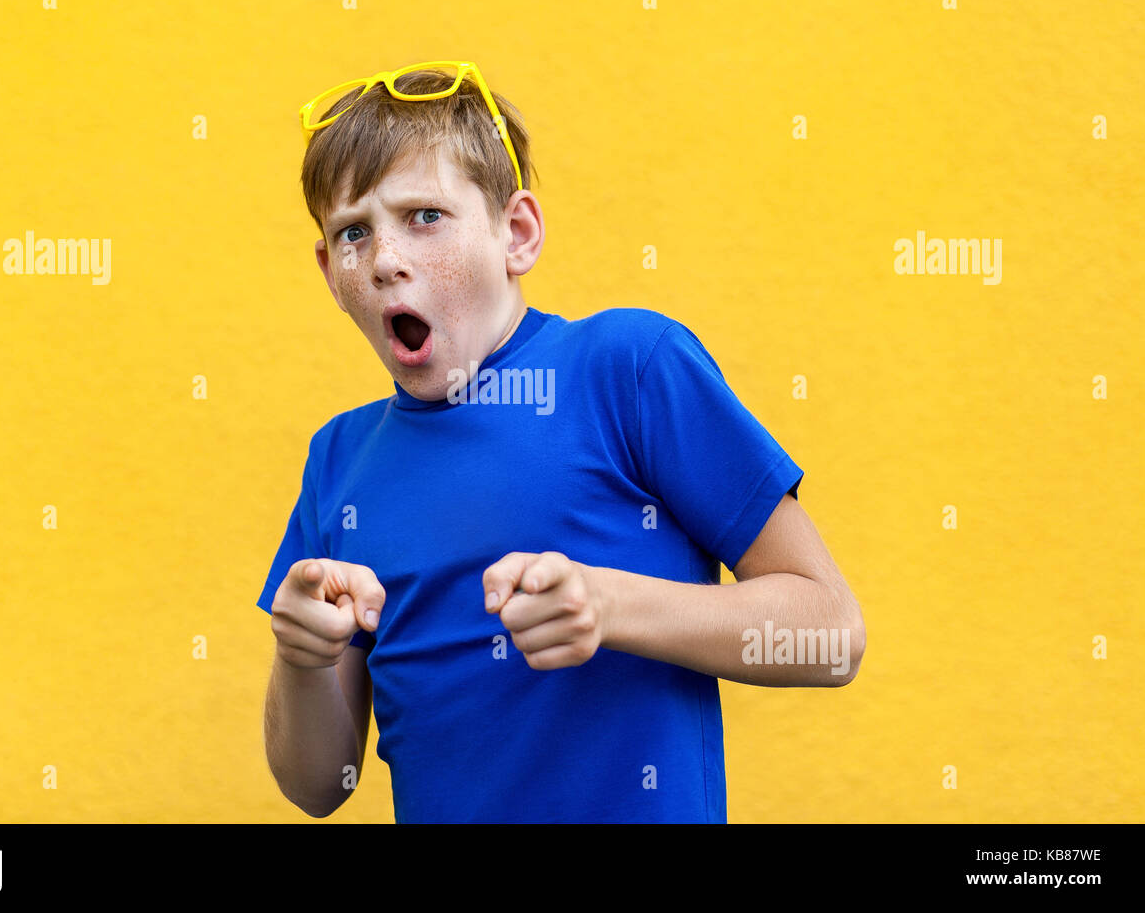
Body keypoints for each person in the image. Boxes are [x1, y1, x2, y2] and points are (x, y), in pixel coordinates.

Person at [255, 61, 865, 822]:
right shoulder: (337, 460)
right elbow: (318, 787)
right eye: (353, 232)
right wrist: (301, 658)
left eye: (425, 216)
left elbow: (831, 635)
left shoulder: (628, 368)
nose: (385, 260)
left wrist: (609, 605)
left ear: (517, 234)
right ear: (328, 269)